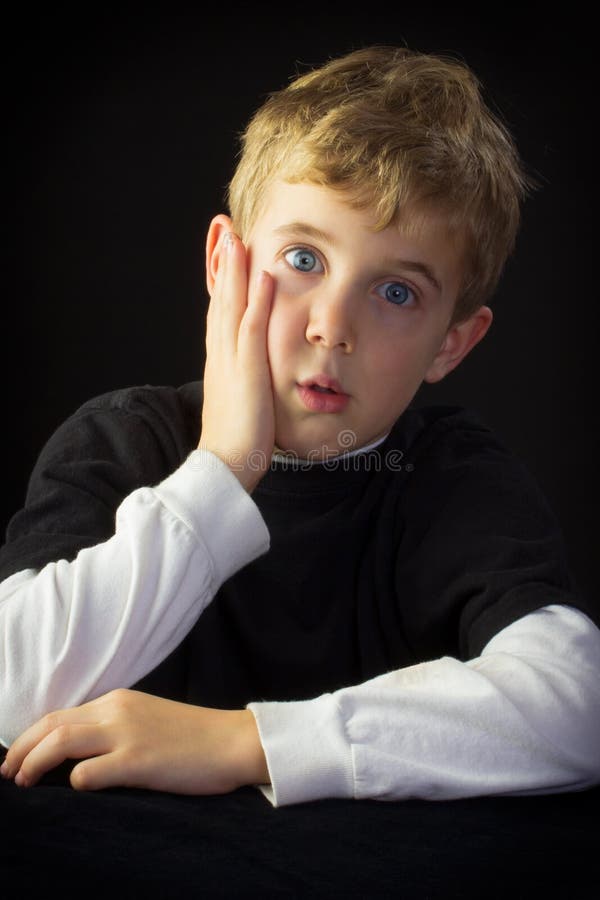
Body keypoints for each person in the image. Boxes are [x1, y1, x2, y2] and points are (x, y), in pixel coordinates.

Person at [0, 45, 598, 806]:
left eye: (396, 292)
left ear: (452, 341)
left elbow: (578, 706)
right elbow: (11, 692)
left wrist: (246, 743)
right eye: (305, 259)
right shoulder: (123, 439)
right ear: (226, 264)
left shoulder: (451, 479)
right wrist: (224, 466)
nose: (332, 327)